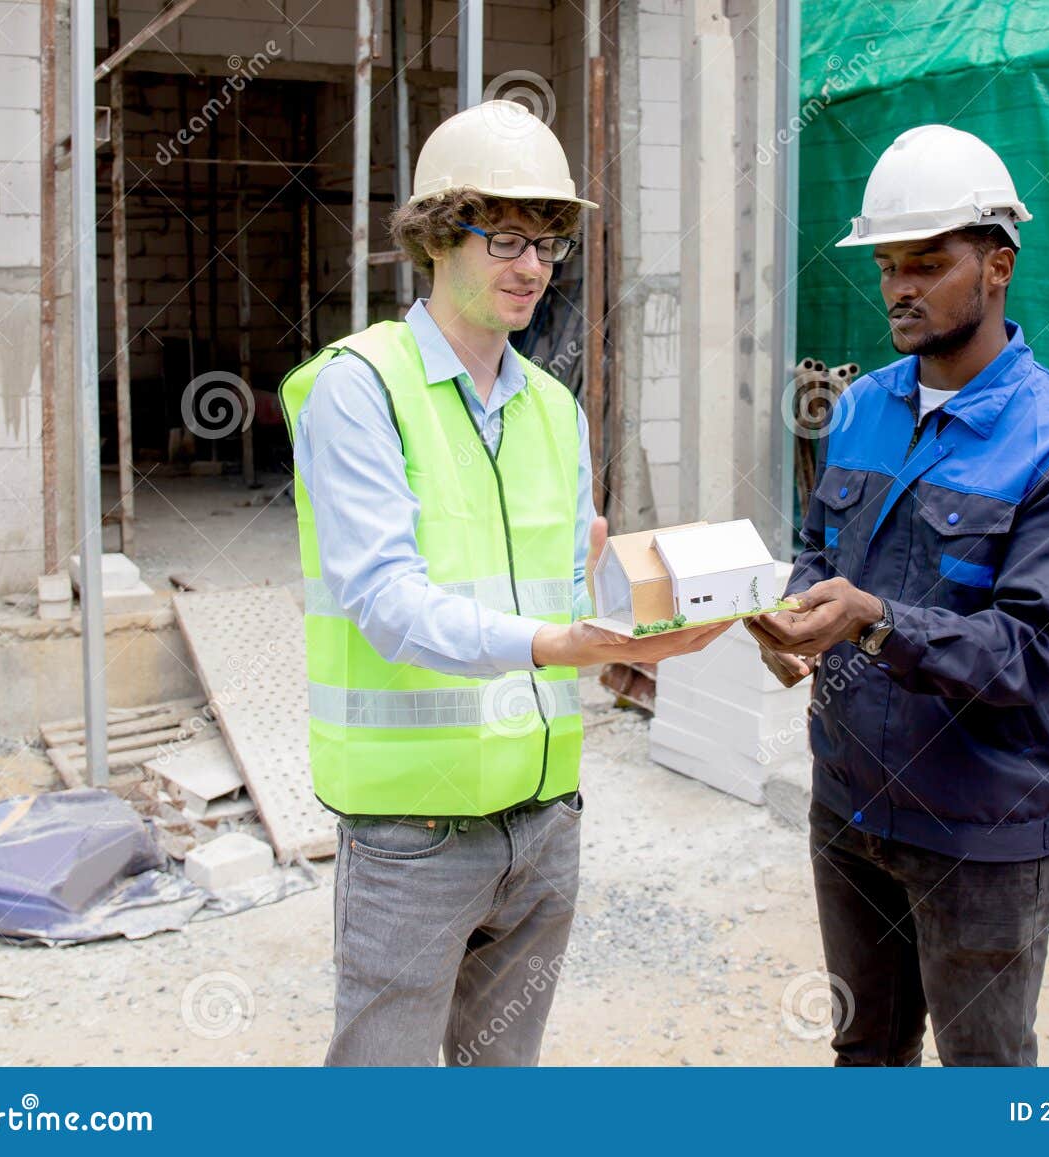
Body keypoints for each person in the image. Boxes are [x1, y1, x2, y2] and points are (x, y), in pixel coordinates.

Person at [280, 101, 729, 1066]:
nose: (533, 268)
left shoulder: (556, 411)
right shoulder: (360, 387)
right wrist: (559, 641)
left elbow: (565, 601)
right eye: (509, 239)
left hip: (544, 819)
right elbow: (385, 602)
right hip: (414, 833)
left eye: (549, 244)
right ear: (441, 236)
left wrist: (628, 623)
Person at [748, 124, 1049, 1066]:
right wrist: (797, 621)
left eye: (926, 264)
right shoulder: (861, 407)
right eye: (887, 266)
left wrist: (873, 622)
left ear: (997, 265)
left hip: (983, 833)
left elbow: (1029, 655)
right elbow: (818, 549)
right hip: (849, 806)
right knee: (866, 1054)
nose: (899, 289)